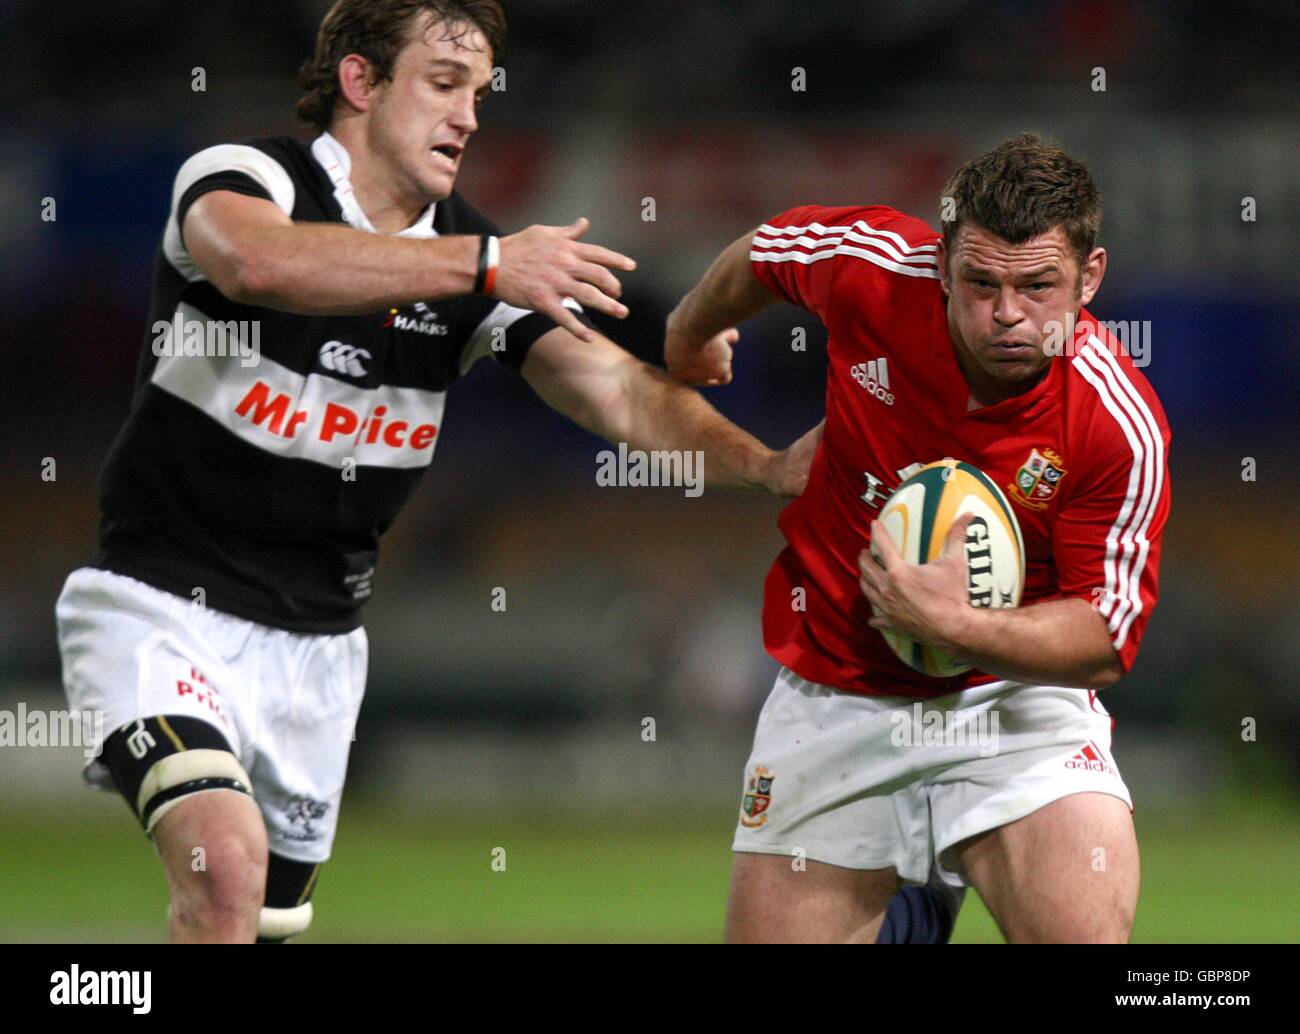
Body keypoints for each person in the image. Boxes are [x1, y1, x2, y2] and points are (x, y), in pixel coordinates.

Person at [54, 0, 819, 943]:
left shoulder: (471, 262)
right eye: (444, 85)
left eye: (480, 94)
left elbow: (619, 393)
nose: (468, 117)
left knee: (256, 924)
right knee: (225, 868)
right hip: (161, 611)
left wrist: (767, 462)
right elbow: (254, 262)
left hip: (320, 654)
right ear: (360, 82)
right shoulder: (254, 179)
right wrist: (490, 263)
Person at [665, 133, 1172, 943]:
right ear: (941, 266)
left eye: (1038, 286)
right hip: (838, 688)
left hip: (1009, 704)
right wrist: (690, 332)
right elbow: (761, 254)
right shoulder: (869, 267)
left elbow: (1105, 638)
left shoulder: (1116, 423)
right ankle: (912, 909)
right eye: (980, 284)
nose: (1008, 315)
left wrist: (955, 625)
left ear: (1091, 277)